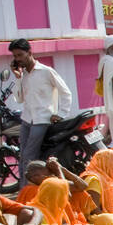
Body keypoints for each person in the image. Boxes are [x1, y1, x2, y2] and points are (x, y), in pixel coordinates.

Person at [5, 39, 72, 184]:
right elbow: (19, 99)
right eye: (15, 56)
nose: (17, 59)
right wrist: (17, 78)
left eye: (20, 55)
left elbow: (65, 92)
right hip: (27, 119)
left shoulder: (46, 71)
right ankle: (24, 190)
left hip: (42, 120)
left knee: (29, 157)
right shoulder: (23, 75)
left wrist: (61, 113)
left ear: (29, 53)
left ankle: (25, 191)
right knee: (23, 157)